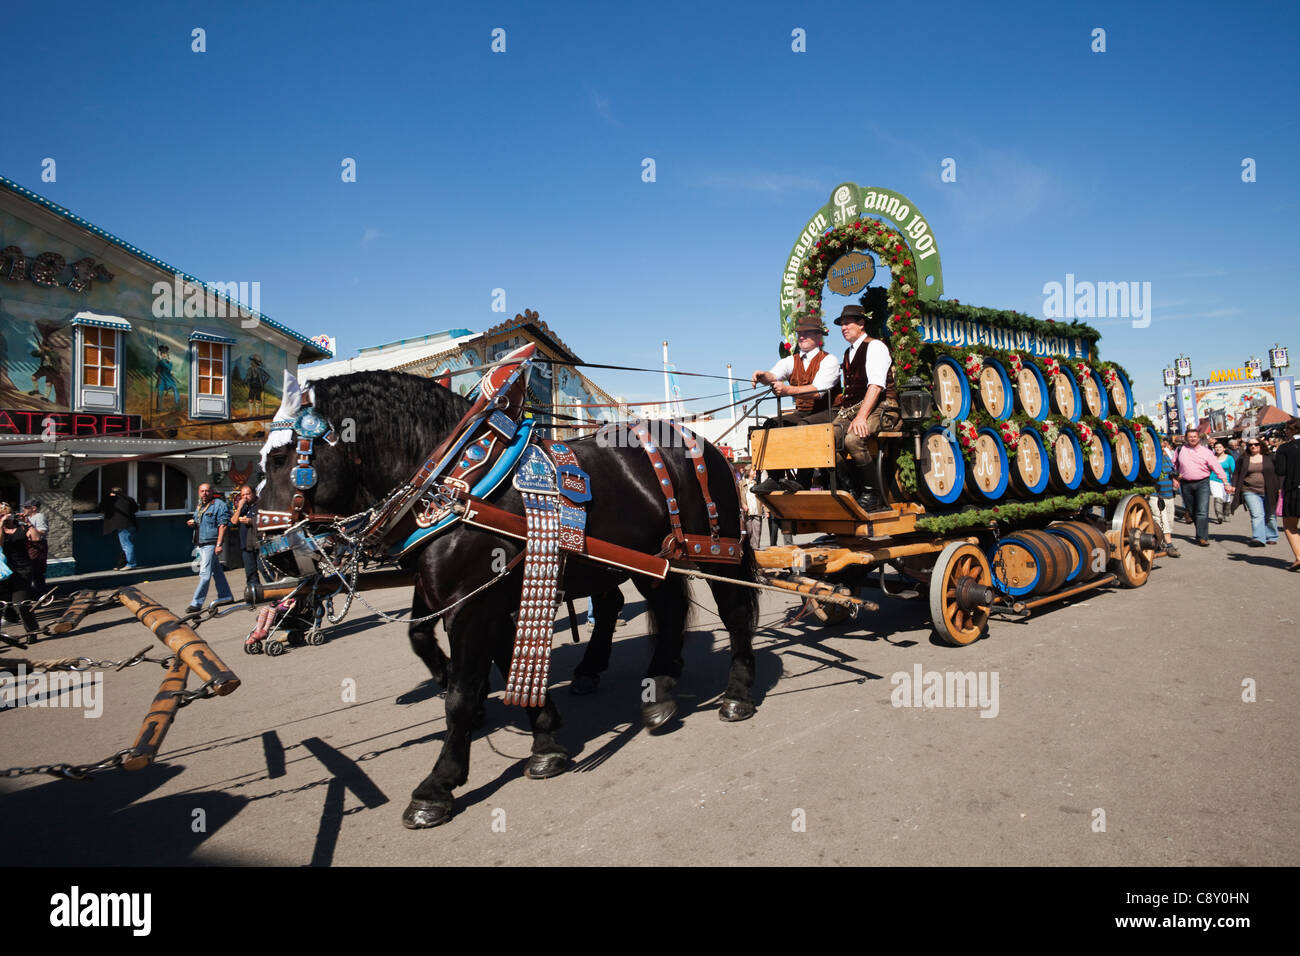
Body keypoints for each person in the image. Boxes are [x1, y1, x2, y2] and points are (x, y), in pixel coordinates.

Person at [750, 316, 841, 492]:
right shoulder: (792, 360)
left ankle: (803, 480)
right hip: (804, 412)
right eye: (800, 333)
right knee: (772, 424)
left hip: (829, 411)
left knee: (804, 425)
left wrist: (787, 390)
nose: (801, 336)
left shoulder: (829, 360)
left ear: (818, 337)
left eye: (806, 333)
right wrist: (763, 376)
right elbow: (774, 374)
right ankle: (775, 477)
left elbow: (817, 391)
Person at [829, 303, 900, 511]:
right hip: (854, 409)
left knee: (853, 438)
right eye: (841, 324)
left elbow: (876, 386)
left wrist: (860, 417)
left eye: (847, 322)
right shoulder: (847, 352)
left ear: (861, 324)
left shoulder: (875, 346)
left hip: (883, 406)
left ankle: (873, 493)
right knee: (825, 440)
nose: (843, 327)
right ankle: (850, 490)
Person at [1173, 427, 1233, 546]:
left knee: (1202, 511)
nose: (1193, 439)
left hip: (1202, 483)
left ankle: (1202, 537)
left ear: (1198, 438)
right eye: (1190, 437)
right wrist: (1175, 478)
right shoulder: (1180, 450)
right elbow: (1173, 464)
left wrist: (1225, 482)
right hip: (1186, 483)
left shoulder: (1206, 452)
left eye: (1195, 436)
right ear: (1186, 438)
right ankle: (1200, 532)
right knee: (1191, 510)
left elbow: (1216, 466)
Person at [187, 483, 234, 613]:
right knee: (217, 572)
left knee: (205, 575)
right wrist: (193, 522)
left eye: (207, 491)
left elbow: (223, 525)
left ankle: (196, 603)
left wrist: (219, 544)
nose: (204, 493)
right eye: (202, 491)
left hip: (211, 543)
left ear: (212, 491)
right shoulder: (200, 505)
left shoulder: (219, 505)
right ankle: (226, 596)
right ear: (198, 492)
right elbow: (200, 521)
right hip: (200, 543)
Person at [0, 502, 40, 641]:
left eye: (8, 514)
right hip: (3, 571)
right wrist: (1, 524)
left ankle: (32, 630)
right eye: (2, 515)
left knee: (21, 604)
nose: (7, 517)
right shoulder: (1, 530)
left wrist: (27, 522)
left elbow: (36, 538)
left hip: (22, 570)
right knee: (3, 603)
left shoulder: (21, 527)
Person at [1230, 438, 1279, 547]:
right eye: (1250, 445)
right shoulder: (1244, 458)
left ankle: (1271, 536)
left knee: (1270, 513)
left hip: (1269, 490)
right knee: (1257, 514)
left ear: (1261, 445)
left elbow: (1279, 472)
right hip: (1249, 490)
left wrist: (1280, 486)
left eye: (1256, 444)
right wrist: (1234, 485)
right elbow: (1236, 473)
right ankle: (1258, 538)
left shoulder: (1270, 457)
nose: (1253, 446)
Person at [1274, 421, 1300, 572]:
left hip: (1294, 490)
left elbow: (1280, 470)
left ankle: (1299, 557)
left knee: (1290, 526)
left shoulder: (1284, 448)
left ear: (1290, 430)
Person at [1148, 447, 1180, 558]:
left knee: (1170, 520)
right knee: (1161, 519)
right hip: (1156, 494)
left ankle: (1161, 541)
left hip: (1168, 493)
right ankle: (1169, 544)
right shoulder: (1149, 458)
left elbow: (1171, 471)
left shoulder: (1166, 457)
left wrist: (1175, 479)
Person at [229, 485, 263, 585]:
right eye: (243, 495)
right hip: (246, 544)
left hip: (260, 542)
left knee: (264, 569)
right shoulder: (243, 507)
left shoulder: (261, 504)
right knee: (250, 572)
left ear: (254, 493)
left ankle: (277, 590)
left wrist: (250, 521)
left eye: (248, 494)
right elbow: (233, 522)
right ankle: (255, 593)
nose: (245, 497)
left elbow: (266, 521)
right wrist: (239, 507)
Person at [99, 486, 138, 570]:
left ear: (112, 492)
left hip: (123, 525)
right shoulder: (129, 499)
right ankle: (121, 564)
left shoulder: (112, 499)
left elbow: (102, 507)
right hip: (132, 524)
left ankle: (131, 564)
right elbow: (135, 509)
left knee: (127, 545)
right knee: (126, 545)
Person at [20, 500, 49, 598]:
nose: (23, 509)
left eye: (26, 507)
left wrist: (28, 523)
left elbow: (40, 535)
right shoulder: (29, 518)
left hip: (37, 547)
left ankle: (42, 594)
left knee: (36, 571)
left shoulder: (39, 517)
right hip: (29, 545)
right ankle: (36, 594)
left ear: (34, 508)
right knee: (32, 571)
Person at [1208, 441, 1235, 524]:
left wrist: (1235, 482)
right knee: (1217, 497)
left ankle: (1226, 514)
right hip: (1213, 480)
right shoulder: (1212, 458)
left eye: (1220, 447)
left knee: (1226, 498)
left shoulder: (1229, 458)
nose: (1218, 449)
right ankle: (1219, 515)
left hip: (1226, 481)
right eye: (1216, 447)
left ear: (1224, 448)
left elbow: (1234, 470)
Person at [741, 467, 763, 545]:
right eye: (753, 470)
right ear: (748, 472)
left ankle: (756, 550)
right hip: (747, 512)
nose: (755, 472)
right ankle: (749, 550)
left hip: (757, 511)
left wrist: (766, 511)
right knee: (748, 532)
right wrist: (743, 504)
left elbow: (763, 498)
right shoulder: (741, 483)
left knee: (757, 533)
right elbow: (738, 496)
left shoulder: (757, 484)